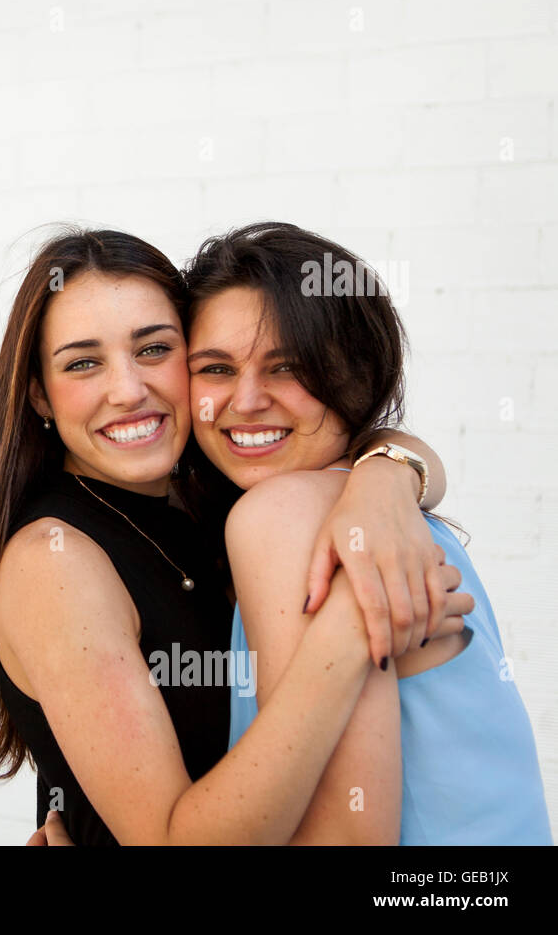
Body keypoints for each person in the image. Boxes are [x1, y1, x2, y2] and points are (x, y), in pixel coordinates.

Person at [0, 227, 471, 845]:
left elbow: (370, 444)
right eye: (83, 363)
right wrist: (348, 636)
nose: (129, 390)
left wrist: (387, 477)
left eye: (154, 349)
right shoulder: (54, 562)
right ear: (38, 395)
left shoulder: (213, 501)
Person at [184, 222, 551, 843]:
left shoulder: (286, 514)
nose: (245, 401)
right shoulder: (368, 496)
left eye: (288, 368)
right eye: (216, 368)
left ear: (357, 378)